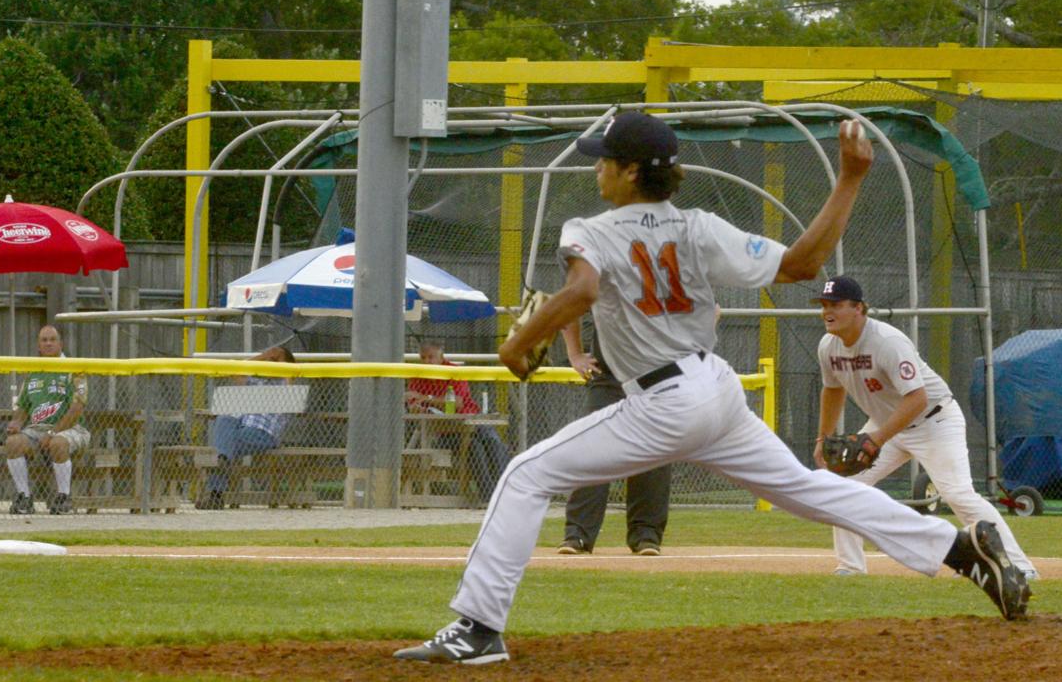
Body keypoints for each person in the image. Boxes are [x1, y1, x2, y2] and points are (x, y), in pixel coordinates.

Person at [394, 112, 1029, 665]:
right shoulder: (699, 227)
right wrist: (851, 179)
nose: (598, 172)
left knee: (525, 475)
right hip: (715, 390)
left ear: (631, 171)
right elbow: (803, 265)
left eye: (607, 161)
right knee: (808, 491)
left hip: (664, 401)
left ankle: (477, 629)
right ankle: (963, 551)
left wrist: (519, 338)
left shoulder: (591, 228)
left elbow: (584, 290)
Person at [811, 275, 1039, 580]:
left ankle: (1020, 567)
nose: (828, 311)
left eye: (836, 304)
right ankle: (850, 567)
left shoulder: (887, 342)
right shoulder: (828, 347)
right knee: (844, 487)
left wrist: (876, 439)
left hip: (934, 420)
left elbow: (917, 398)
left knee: (958, 494)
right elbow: (833, 390)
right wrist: (823, 437)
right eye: (824, 304)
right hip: (887, 424)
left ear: (859, 309)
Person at [558, 320, 670, 556]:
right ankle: (577, 534)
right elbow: (569, 309)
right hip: (608, 377)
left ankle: (646, 535)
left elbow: (711, 310)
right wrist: (575, 355)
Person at [406, 340, 510, 503]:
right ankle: (489, 497)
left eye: (431, 357)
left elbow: (457, 403)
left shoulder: (454, 371)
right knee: (474, 447)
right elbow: (412, 403)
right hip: (446, 432)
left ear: (441, 357)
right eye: (423, 358)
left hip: (471, 421)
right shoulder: (418, 376)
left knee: (492, 441)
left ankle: (508, 490)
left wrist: (426, 398)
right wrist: (415, 406)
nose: (427, 362)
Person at [197, 346, 296, 510]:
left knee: (223, 447)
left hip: (263, 434)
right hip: (240, 430)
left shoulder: (285, 382)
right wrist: (264, 356)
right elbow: (234, 370)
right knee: (224, 419)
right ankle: (221, 466)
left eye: (275, 360)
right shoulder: (256, 381)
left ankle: (216, 489)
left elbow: (288, 372)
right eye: (268, 359)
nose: (269, 361)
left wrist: (278, 357)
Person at [4, 324, 90, 515]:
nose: (48, 343)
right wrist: (17, 422)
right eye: (44, 340)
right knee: (13, 443)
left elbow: (77, 408)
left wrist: (53, 433)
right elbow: (23, 406)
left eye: (52, 339)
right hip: (37, 429)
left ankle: (63, 498)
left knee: (58, 443)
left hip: (72, 429)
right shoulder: (32, 370)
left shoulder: (74, 369)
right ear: (38, 345)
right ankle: (24, 498)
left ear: (61, 343)